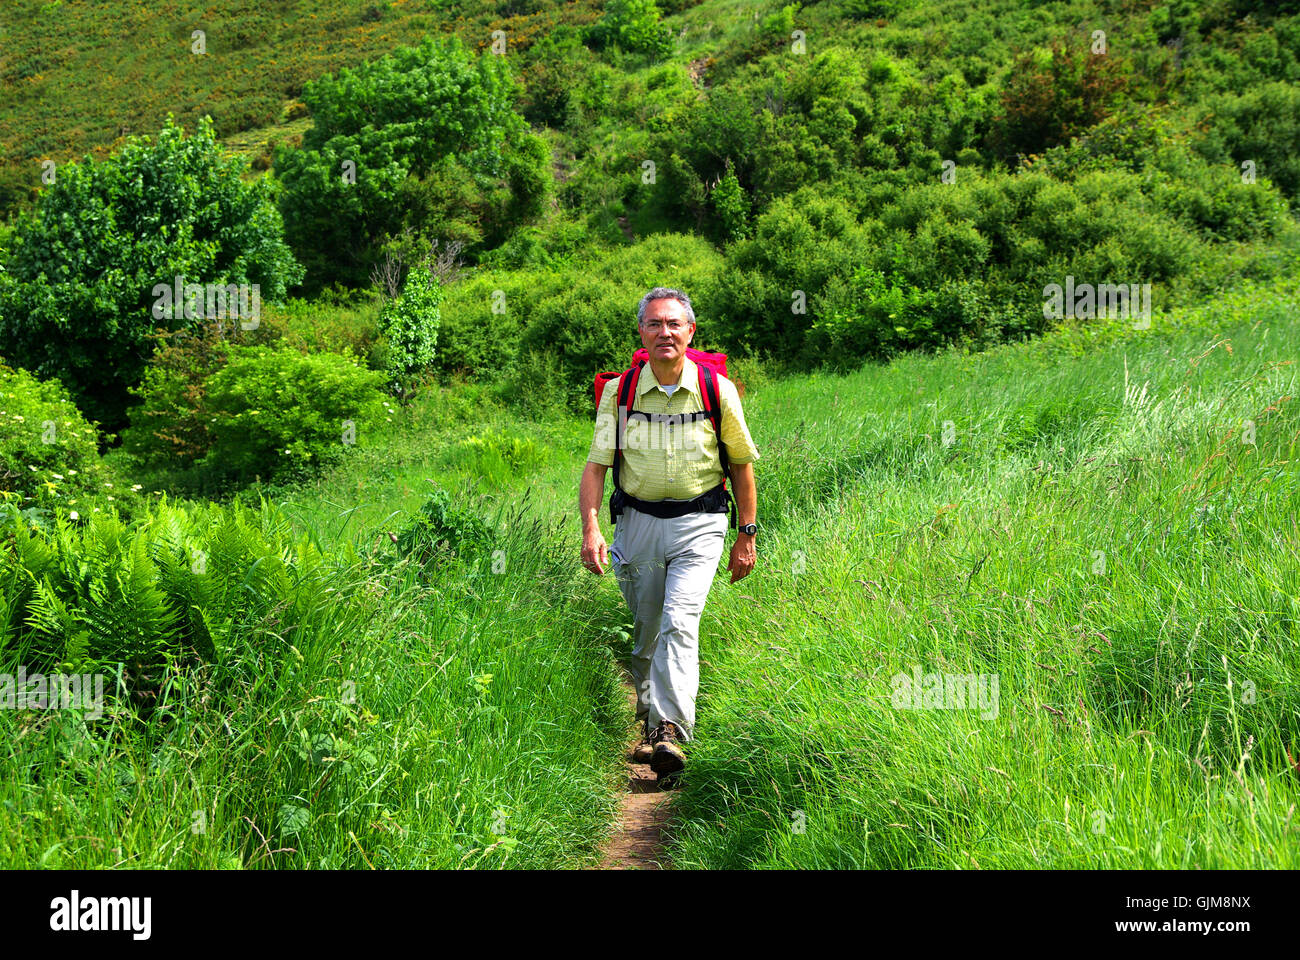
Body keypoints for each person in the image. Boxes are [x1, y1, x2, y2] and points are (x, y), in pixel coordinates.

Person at [578, 287, 759, 785]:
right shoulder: (621, 392)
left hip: (701, 522)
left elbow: (741, 467)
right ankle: (649, 715)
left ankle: (670, 730)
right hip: (635, 523)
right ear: (642, 332)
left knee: (681, 621)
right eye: (655, 324)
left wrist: (747, 533)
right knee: (647, 630)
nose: (665, 332)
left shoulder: (716, 390)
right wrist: (592, 526)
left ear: (690, 331)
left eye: (674, 324)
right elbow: (596, 467)